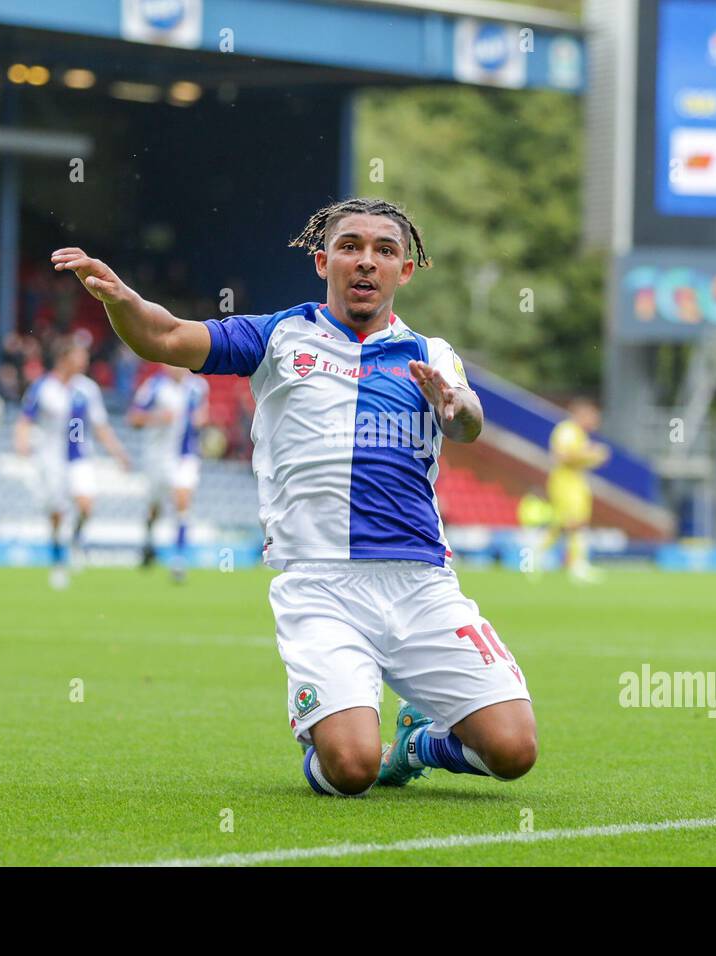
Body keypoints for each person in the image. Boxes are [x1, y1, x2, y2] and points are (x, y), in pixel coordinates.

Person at [51, 197, 537, 796]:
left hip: (421, 586)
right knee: (353, 770)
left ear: (404, 270)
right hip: (320, 587)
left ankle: (417, 745)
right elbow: (167, 336)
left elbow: (468, 422)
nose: (366, 262)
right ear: (322, 260)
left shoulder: (430, 354)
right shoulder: (279, 337)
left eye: (385, 250)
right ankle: (346, 747)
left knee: (515, 751)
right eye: (350, 247)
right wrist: (122, 302)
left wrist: (455, 406)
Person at [13, 336, 130, 589]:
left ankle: (76, 540)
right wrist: (21, 442)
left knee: (86, 504)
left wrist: (118, 453)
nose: (85, 361)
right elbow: (25, 419)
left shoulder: (87, 389)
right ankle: (57, 563)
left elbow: (101, 426)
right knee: (56, 513)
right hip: (51, 458)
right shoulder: (42, 387)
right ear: (65, 358)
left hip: (81, 457)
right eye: (80, 356)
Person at [128, 364, 209, 580]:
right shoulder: (154, 387)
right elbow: (134, 419)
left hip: (186, 456)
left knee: (182, 501)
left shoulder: (198, 387)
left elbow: (203, 414)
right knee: (155, 507)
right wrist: (157, 417)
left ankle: (179, 560)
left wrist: (201, 421)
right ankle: (148, 541)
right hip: (157, 458)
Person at [544, 398, 608, 582]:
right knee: (572, 523)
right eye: (593, 417)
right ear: (582, 415)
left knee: (567, 523)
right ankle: (575, 564)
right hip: (565, 482)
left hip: (575, 481)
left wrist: (592, 457)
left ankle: (537, 559)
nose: (595, 422)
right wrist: (590, 454)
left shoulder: (578, 433)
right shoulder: (567, 430)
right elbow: (562, 456)